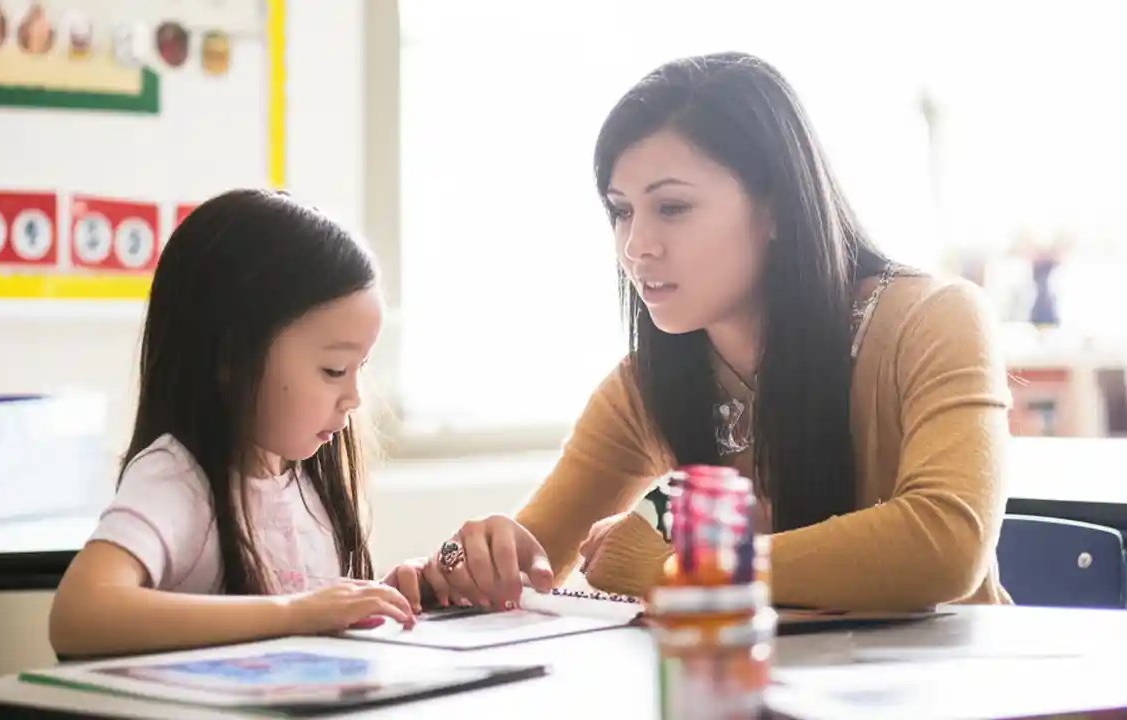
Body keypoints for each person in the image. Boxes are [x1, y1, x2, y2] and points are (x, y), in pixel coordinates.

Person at [387, 52, 1012, 613]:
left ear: (775, 207)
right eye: (621, 210)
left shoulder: (934, 319)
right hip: (752, 691)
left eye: (673, 208)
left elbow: (946, 543)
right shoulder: (646, 385)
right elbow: (533, 565)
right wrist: (454, 572)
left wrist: (675, 570)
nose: (637, 246)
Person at [50, 190, 414, 658]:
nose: (354, 398)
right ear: (231, 357)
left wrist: (381, 598)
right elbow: (79, 615)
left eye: (360, 368)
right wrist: (293, 614)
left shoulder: (306, 479)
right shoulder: (177, 479)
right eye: (333, 370)